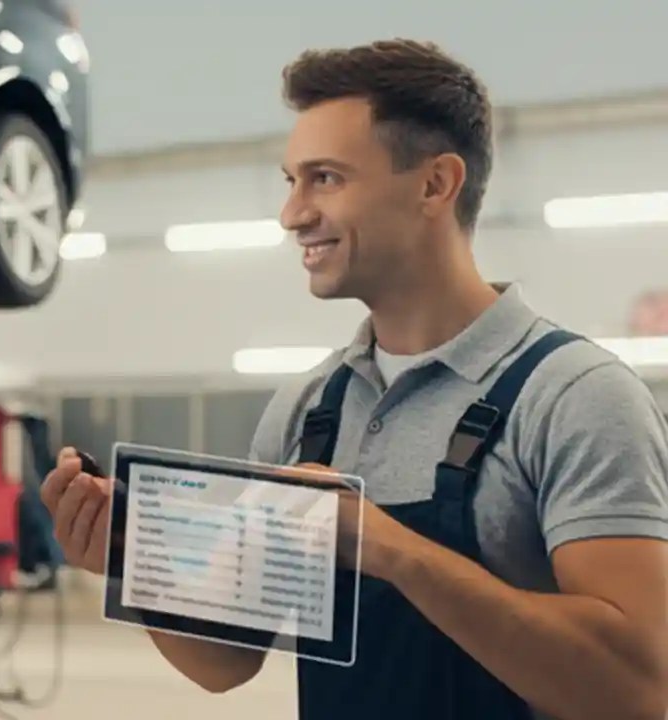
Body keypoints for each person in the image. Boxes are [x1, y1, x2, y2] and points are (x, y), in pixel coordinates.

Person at [42, 39, 668, 720]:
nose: (293, 214)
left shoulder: (574, 397)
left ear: (436, 184)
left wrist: (394, 551)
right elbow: (227, 662)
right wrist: (131, 563)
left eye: (327, 178)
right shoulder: (309, 411)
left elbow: (636, 689)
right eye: (291, 181)